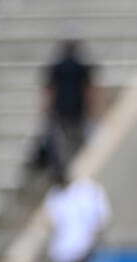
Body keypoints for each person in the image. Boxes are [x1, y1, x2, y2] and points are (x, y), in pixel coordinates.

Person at [39, 39, 97, 171]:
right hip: (76, 110)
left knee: (65, 142)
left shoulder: (59, 67)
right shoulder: (80, 67)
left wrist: (45, 108)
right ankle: (73, 166)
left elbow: (49, 90)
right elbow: (88, 90)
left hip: (63, 110)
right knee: (72, 141)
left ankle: (67, 168)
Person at [44, 165, 110, 262]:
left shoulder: (87, 189)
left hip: (85, 247)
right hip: (64, 251)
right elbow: (51, 223)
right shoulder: (54, 196)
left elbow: (101, 218)